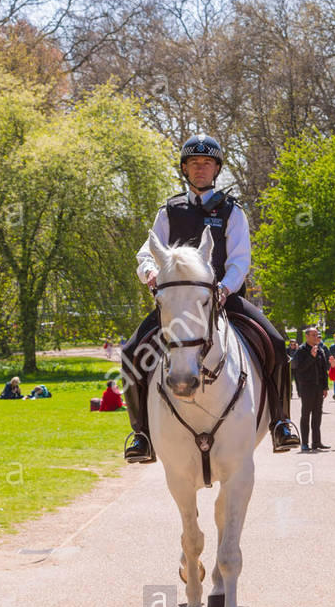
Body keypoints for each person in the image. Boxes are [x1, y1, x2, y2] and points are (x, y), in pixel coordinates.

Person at [121, 134, 299, 463]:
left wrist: (224, 289)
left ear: (216, 169)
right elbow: (146, 253)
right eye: (193, 163)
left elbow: (239, 261)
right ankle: (142, 434)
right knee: (132, 352)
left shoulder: (232, 211)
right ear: (185, 170)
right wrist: (149, 273)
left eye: (206, 163)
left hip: (223, 300)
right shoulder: (169, 210)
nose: (200, 169)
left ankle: (281, 422)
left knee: (275, 343)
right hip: (176, 306)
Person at [292, 327, 330, 452]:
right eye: (313, 335)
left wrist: (325, 387)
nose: (315, 337)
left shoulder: (320, 350)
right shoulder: (301, 351)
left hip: (319, 387)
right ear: (307, 336)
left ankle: (316, 442)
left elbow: (324, 370)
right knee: (306, 415)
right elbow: (299, 369)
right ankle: (305, 443)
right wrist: (311, 357)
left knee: (317, 415)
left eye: (316, 335)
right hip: (307, 387)